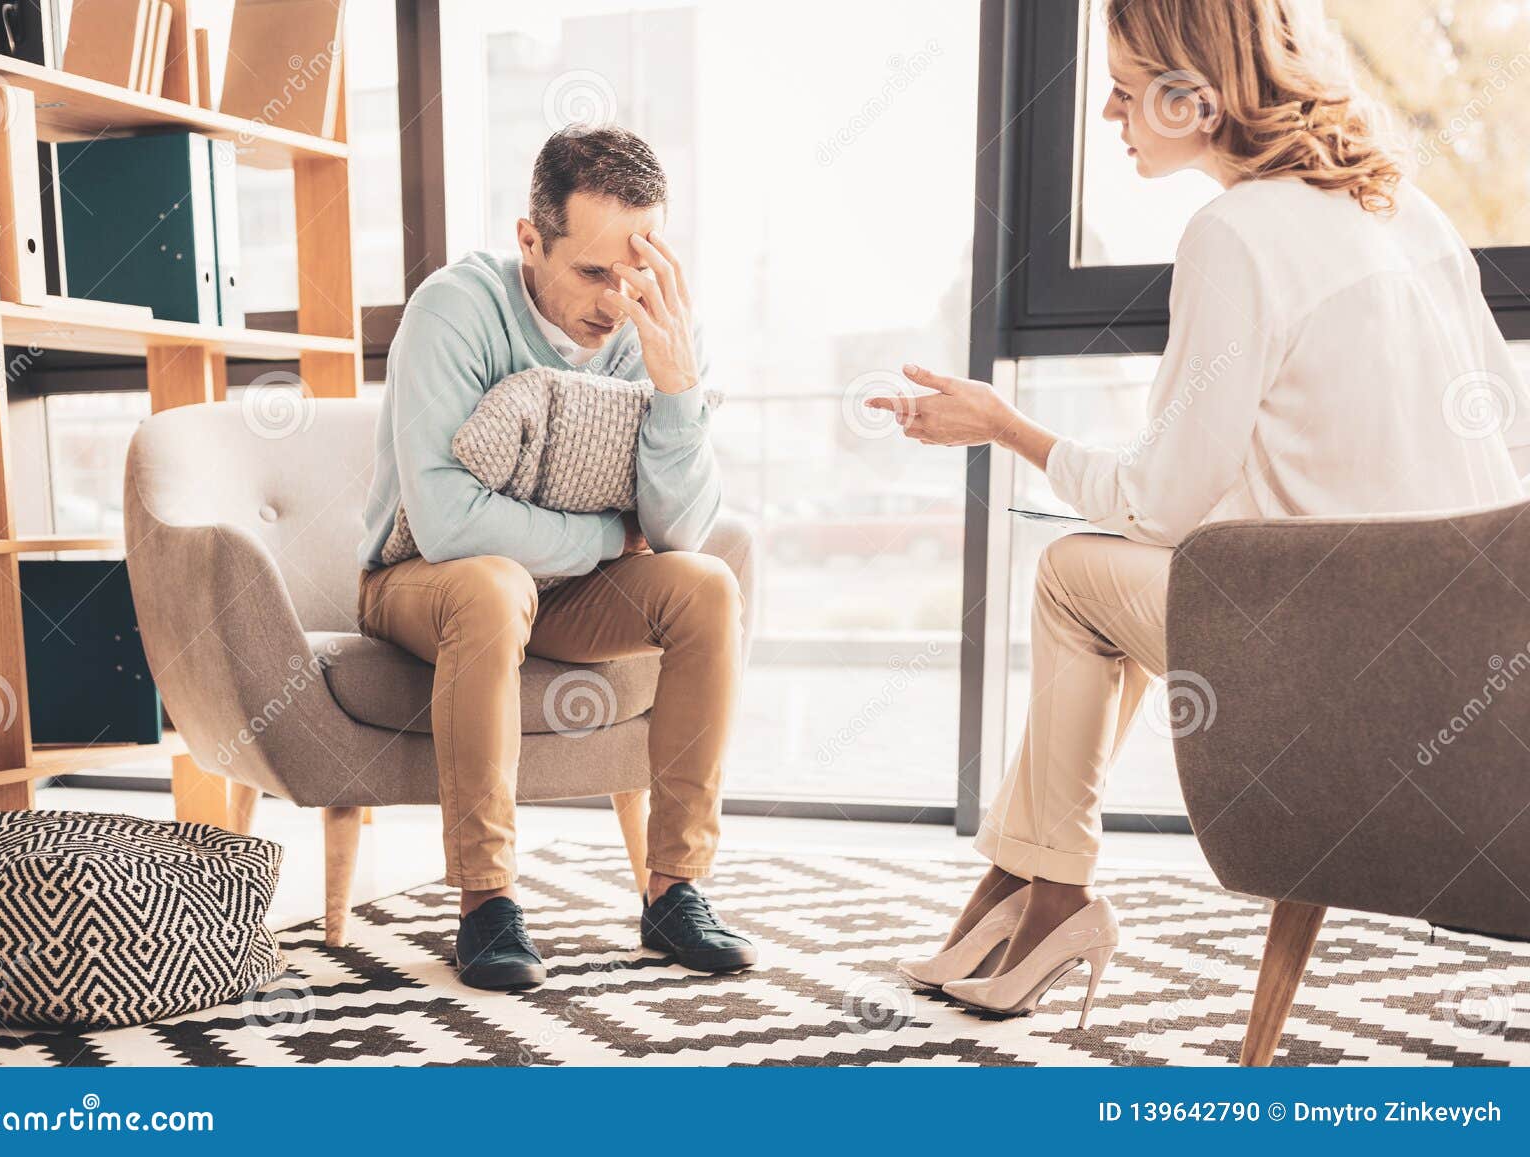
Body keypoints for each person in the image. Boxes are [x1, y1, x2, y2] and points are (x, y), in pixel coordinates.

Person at [871, 0, 1530, 1022]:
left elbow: (1159, 504)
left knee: (1074, 573)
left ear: (1198, 96)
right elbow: (1500, 448)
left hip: (1333, 678)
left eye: (1128, 89)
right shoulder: (1410, 214)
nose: (1104, 110)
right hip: (1474, 683)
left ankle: (1044, 890)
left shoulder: (1233, 231)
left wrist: (1008, 428)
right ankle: (1022, 884)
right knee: (1119, 578)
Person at [355, 127, 757, 991]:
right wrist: (611, 539)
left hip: (567, 598)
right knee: (495, 587)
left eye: (635, 272)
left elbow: (682, 533)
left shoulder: (656, 331)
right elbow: (448, 522)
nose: (617, 302)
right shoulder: (454, 310)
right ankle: (487, 900)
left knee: (708, 587)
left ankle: (676, 892)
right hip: (418, 582)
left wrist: (677, 389)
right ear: (530, 240)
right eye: (592, 272)